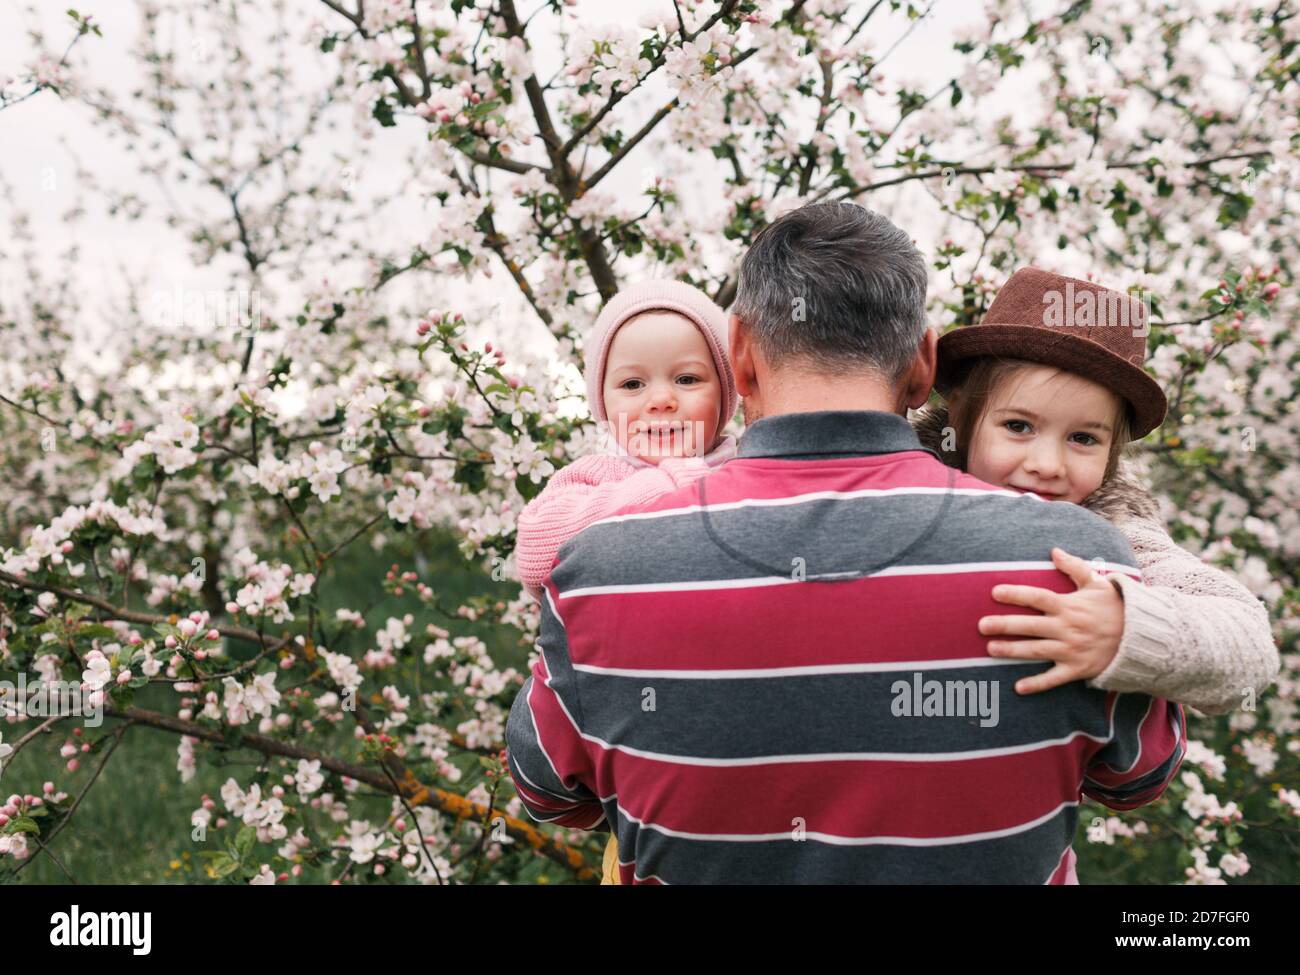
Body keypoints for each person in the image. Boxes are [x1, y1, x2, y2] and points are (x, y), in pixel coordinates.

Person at [505, 202, 1185, 883]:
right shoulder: (1084, 575)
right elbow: (1136, 779)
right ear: (923, 361)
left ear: (740, 357)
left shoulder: (599, 569)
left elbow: (548, 789)